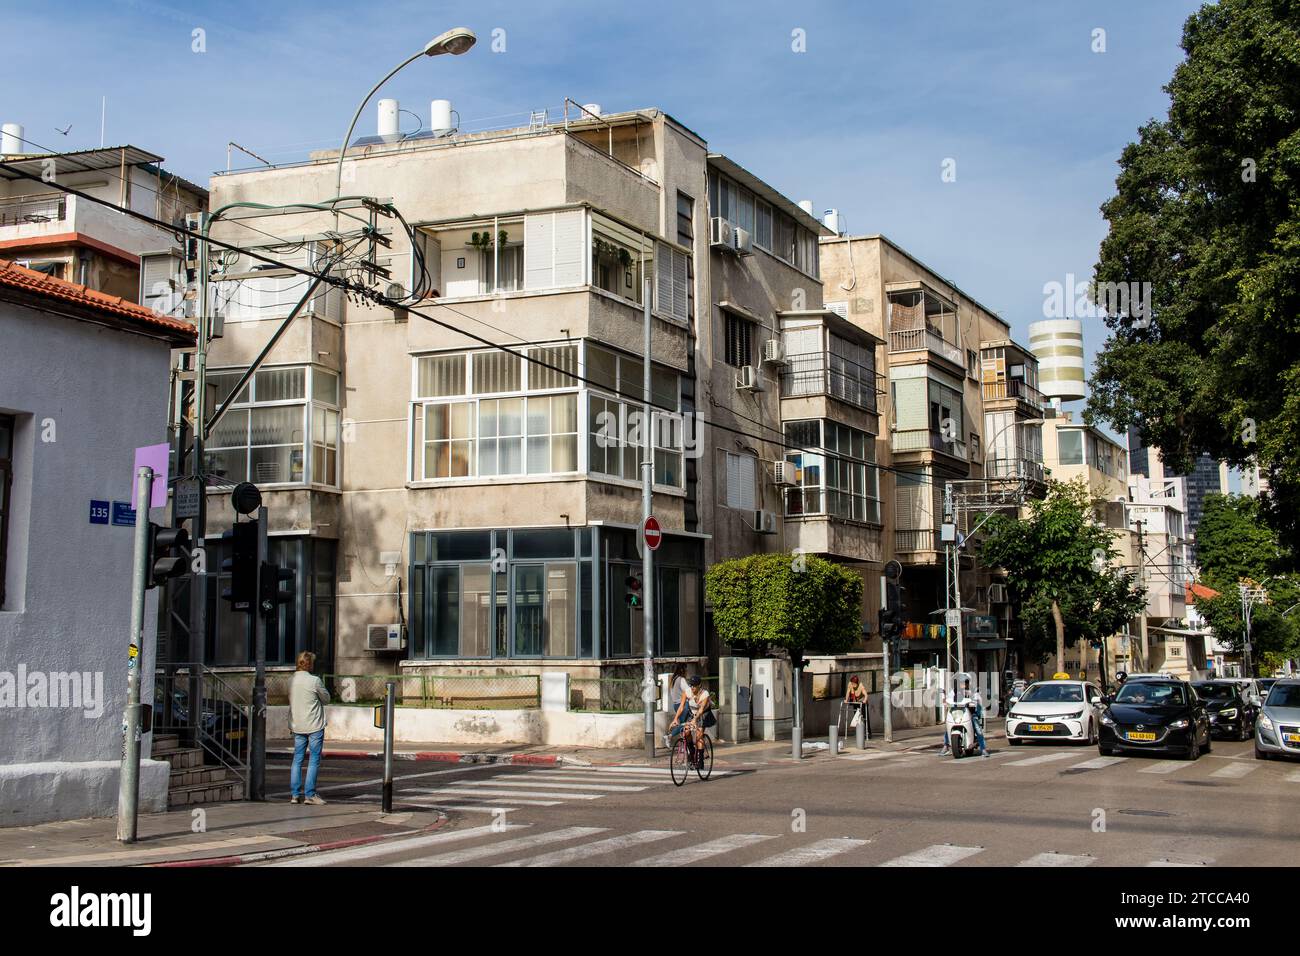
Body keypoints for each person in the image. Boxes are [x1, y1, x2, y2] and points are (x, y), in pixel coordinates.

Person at [289, 651, 330, 805]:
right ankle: (310, 794)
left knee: (297, 760)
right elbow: (326, 698)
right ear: (309, 664)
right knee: (313, 760)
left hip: (297, 724)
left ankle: (294, 795)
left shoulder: (291, 680)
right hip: (314, 725)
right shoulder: (314, 681)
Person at [669, 676, 715, 766]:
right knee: (686, 732)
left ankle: (700, 761)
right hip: (692, 712)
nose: (692, 688)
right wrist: (675, 719)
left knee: (699, 735)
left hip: (703, 714)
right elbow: (681, 707)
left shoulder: (704, 694)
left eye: (694, 686)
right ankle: (692, 753)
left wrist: (695, 720)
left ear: (699, 685)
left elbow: (701, 710)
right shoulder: (687, 692)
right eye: (691, 685)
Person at [939, 676, 987, 757]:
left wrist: (974, 702)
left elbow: (977, 700)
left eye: (964, 683)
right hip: (956, 713)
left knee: (977, 728)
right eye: (961, 683)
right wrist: (945, 701)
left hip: (970, 713)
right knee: (948, 727)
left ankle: (983, 749)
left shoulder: (972, 691)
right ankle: (946, 746)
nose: (963, 685)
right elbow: (948, 699)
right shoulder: (953, 691)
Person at [663, 664, 690, 747]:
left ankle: (684, 745)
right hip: (683, 705)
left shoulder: (673, 679)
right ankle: (669, 736)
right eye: (686, 670)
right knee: (685, 724)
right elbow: (688, 692)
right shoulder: (681, 679)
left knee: (683, 724)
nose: (687, 672)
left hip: (675, 705)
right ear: (682, 670)